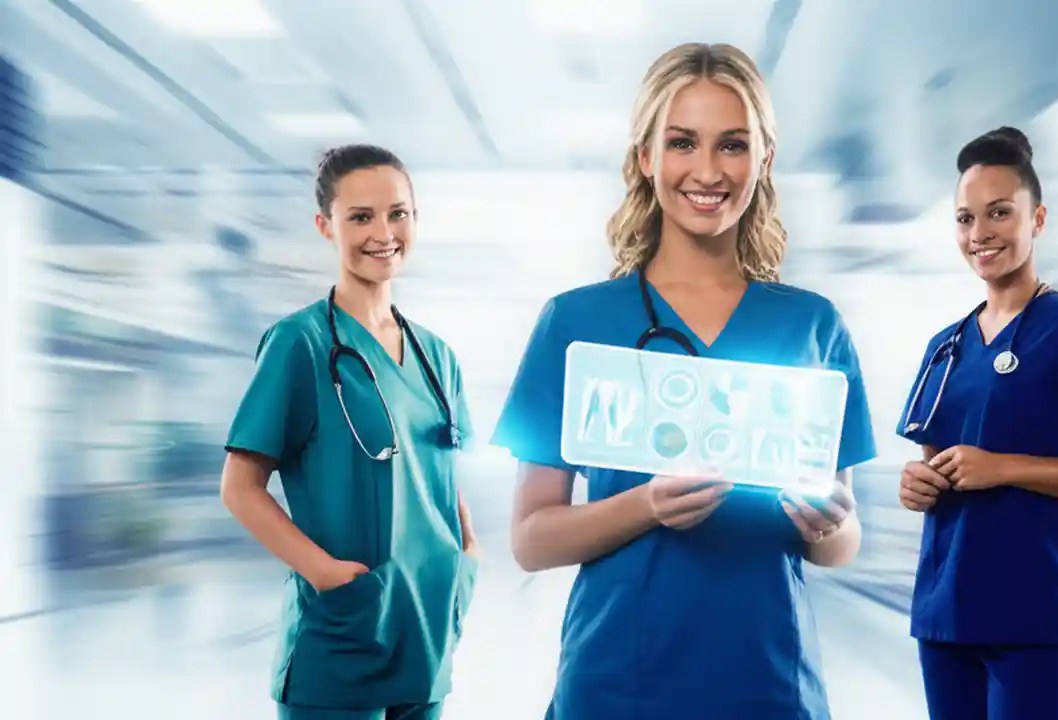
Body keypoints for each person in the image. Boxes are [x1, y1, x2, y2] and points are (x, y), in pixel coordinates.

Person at [490, 43, 877, 719]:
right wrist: (646, 507)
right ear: (645, 158)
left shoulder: (813, 325)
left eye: (732, 145)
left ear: (764, 159)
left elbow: (840, 544)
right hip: (617, 684)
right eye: (681, 143)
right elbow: (531, 539)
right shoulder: (575, 322)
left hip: (768, 684)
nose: (707, 171)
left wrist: (827, 524)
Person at [895, 127, 1058, 720]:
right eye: (965, 218)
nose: (979, 233)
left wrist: (1003, 467)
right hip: (945, 614)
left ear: (1037, 219)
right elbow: (932, 465)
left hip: (1034, 614)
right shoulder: (946, 346)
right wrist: (916, 484)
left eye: (999, 213)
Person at [220, 144, 479, 720]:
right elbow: (240, 488)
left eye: (398, 213)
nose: (383, 232)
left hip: (428, 635)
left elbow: (438, 468)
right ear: (325, 226)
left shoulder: (437, 355)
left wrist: (466, 554)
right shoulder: (302, 344)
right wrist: (323, 573)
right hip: (343, 638)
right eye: (360, 217)